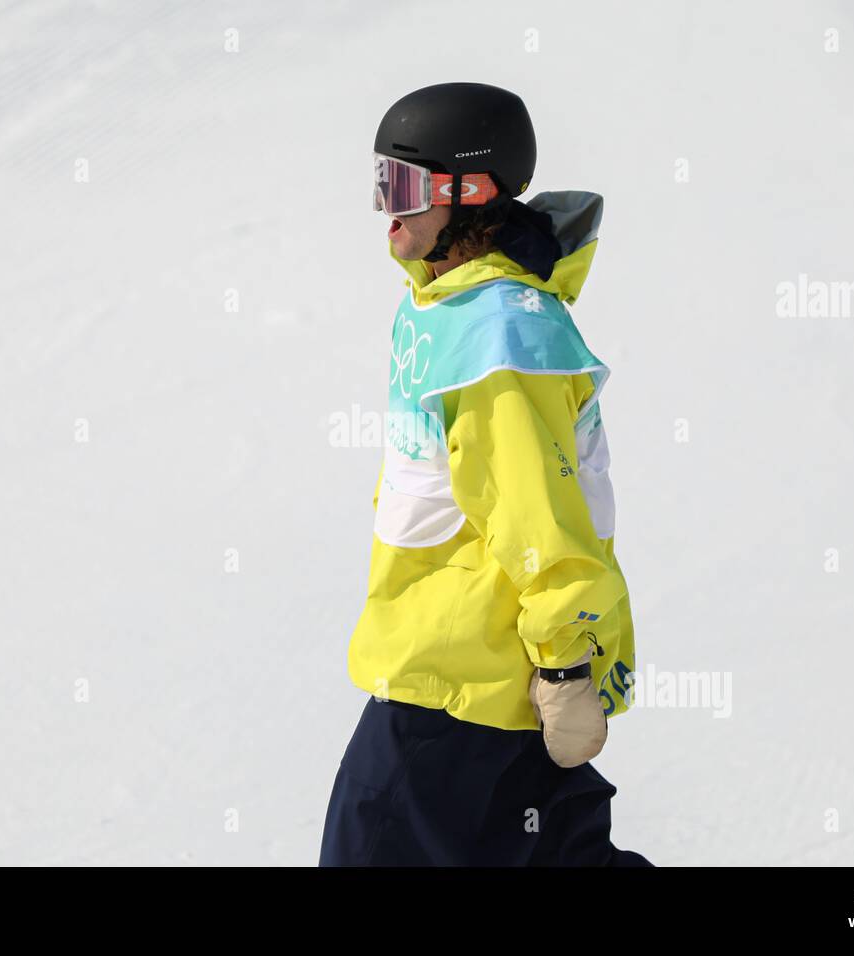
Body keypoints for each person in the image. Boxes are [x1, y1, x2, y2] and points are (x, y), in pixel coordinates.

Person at [319, 82, 651, 867]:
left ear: (472, 194)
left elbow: (539, 511)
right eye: (379, 182)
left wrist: (568, 665)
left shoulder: (496, 335)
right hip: (480, 677)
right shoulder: (449, 308)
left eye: (402, 187)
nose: (385, 210)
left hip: (455, 684)